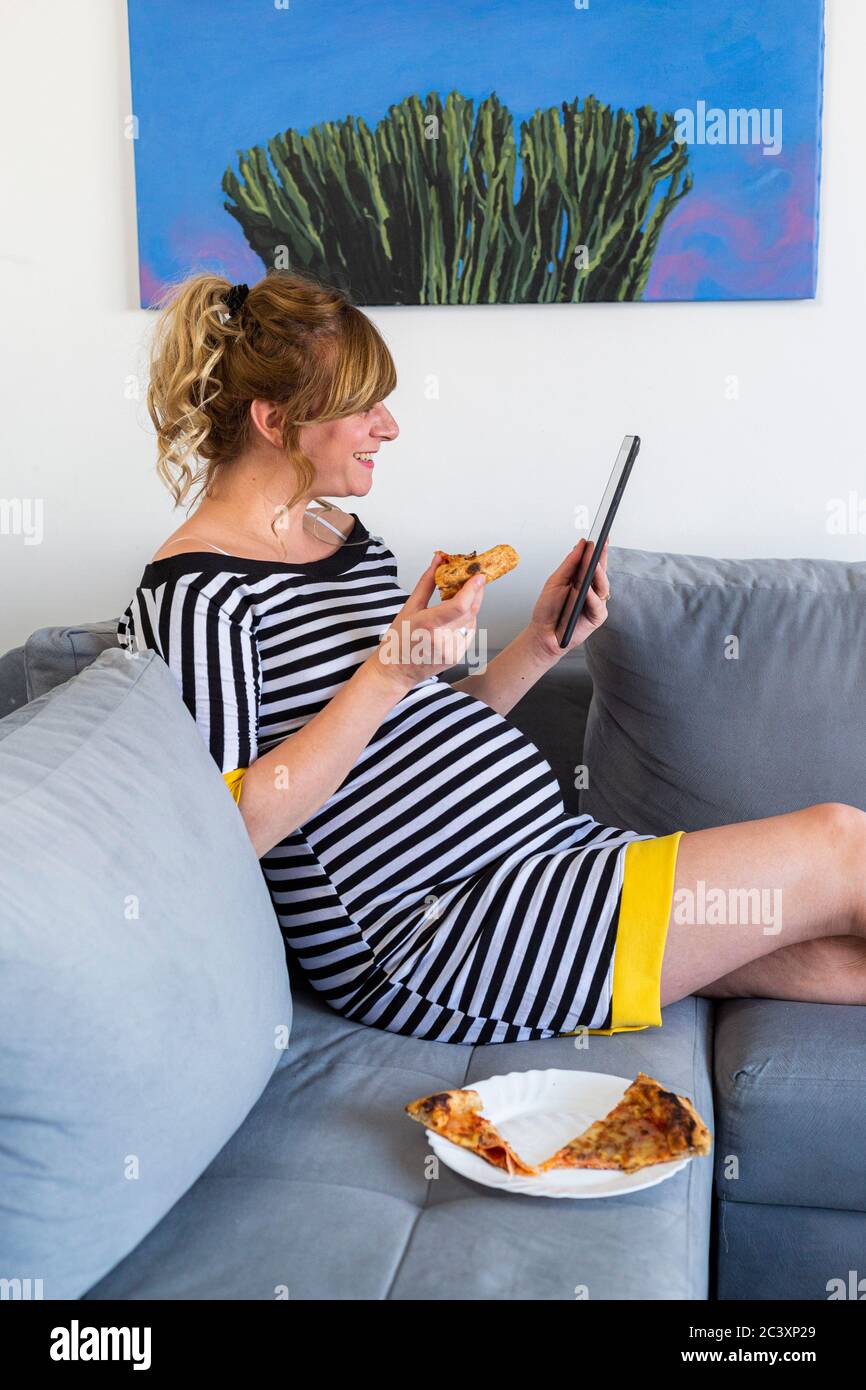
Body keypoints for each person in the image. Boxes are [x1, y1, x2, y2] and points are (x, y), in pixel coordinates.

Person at [119, 270, 866, 1044]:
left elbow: (414, 728)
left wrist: (540, 646)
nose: (390, 427)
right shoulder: (197, 595)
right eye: (363, 407)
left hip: (548, 861)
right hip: (440, 937)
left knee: (836, 956)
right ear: (277, 421)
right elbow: (232, 830)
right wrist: (387, 671)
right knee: (840, 844)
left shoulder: (341, 538)